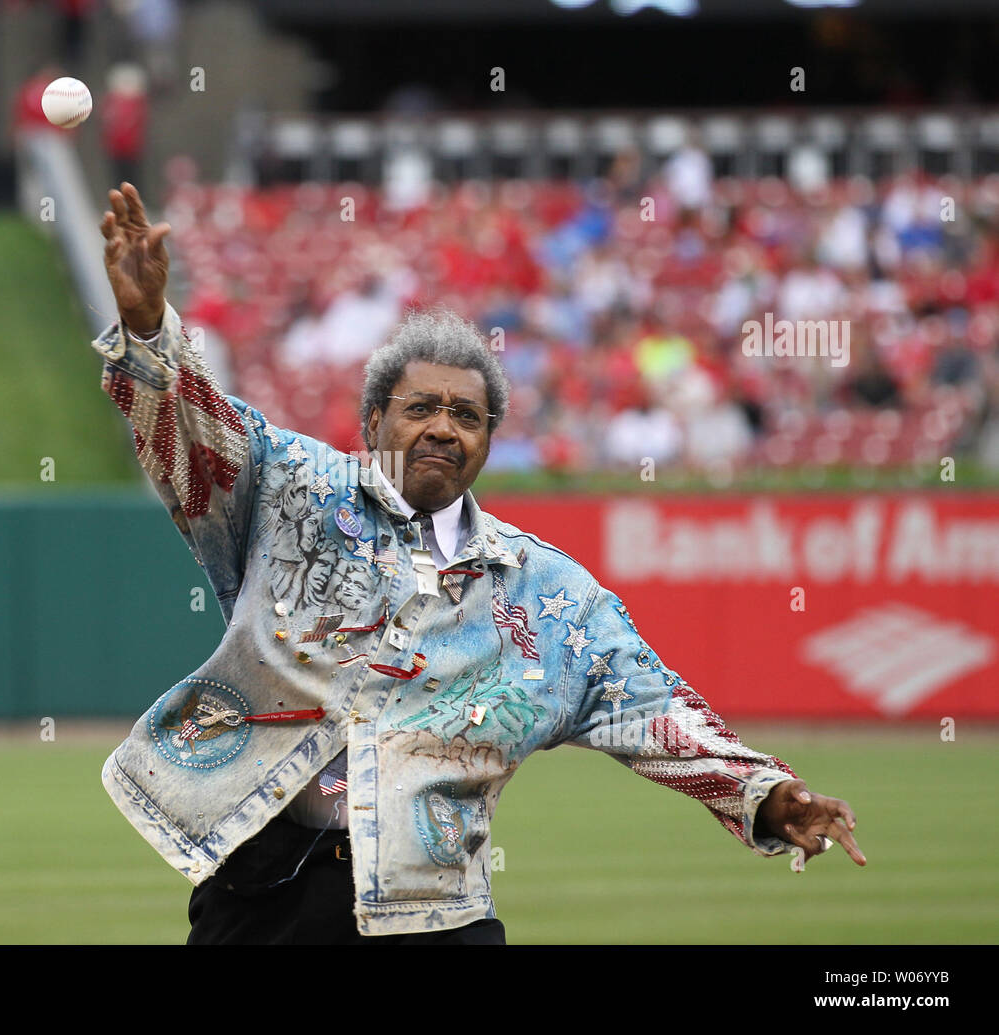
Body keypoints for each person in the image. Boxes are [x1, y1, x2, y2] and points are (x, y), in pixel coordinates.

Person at [93, 182, 866, 945]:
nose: (442, 427)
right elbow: (199, 431)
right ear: (373, 421)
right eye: (420, 407)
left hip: (433, 907)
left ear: (488, 441)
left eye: (466, 415)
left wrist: (765, 792)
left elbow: (655, 710)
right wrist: (149, 323)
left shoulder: (550, 597)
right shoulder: (291, 487)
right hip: (266, 888)